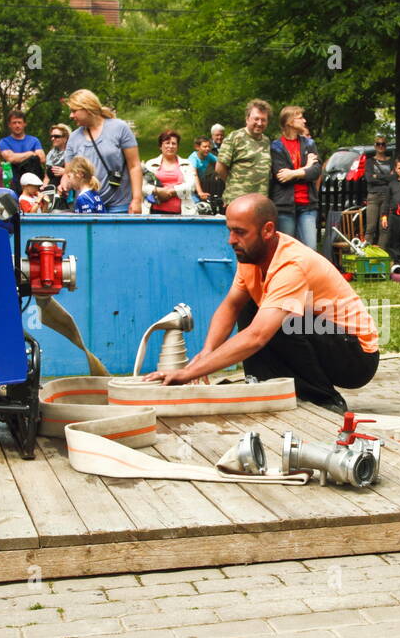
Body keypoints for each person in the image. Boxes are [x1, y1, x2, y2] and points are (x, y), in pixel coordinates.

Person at [147, 194, 379, 412]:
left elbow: (257, 336)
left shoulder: (292, 265)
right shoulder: (251, 256)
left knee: (277, 319)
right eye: (229, 231)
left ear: (267, 230)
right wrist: (207, 352)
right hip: (321, 337)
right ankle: (261, 387)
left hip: (356, 356)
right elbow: (230, 306)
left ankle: (324, 400)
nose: (231, 240)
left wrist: (188, 373)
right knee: (251, 307)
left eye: (239, 232)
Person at [63, 89, 141, 214]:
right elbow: (68, 172)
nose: (71, 116)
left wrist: (137, 199)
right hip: (88, 206)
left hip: (119, 205)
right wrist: (64, 184)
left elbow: (134, 166)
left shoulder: (119, 128)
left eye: (74, 111)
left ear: (87, 109)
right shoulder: (73, 137)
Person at [269, 106, 321, 249]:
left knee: (311, 249)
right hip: (285, 207)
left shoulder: (309, 143)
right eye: (300, 118)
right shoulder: (276, 147)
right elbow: (281, 176)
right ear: (290, 122)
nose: (304, 121)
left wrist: (293, 173)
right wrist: (306, 168)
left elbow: (316, 171)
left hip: (308, 206)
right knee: (286, 250)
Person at [216, 100, 272, 204]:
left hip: (260, 201)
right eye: (256, 119)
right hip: (238, 200)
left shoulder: (266, 141)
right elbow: (220, 168)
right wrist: (235, 184)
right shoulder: (234, 137)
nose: (259, 123)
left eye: (263, 120)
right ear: (247, 119)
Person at [142, 130, 197, 215]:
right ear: (160, 146)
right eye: (167, 143)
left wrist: (173, 191)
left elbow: (192, 186)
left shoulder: (187, 164)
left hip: (183, 213)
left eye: (174, 143)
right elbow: (143, 187)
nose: (170, 146)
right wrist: (157, 191)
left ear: (177, 146)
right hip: (154, 212)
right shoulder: (150, 164)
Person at [0, 109, 45, 194]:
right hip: (13, 183)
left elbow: (42, 158)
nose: (17, 125)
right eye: (14, 123)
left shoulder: (34, 140)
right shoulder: (4, 142)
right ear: (9, 125)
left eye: (19, 122)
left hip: (33, 184)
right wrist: (31, 153)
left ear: (24, 124)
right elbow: (10, 158)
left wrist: (19, 157)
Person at [363, 136, 394, 246]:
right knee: (370, 227)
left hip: (387, 196)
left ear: (386, 146)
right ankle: (366, 254)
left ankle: (381, 254)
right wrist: (386, 177)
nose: (380, 146)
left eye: (383, 144)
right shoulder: (369, 161)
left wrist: (377, 176)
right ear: (375, 146)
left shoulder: (391, 161)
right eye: (378, 144)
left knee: (384, 227)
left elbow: (393, 178)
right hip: (373, 195)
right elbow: (369, 179)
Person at [189, 136, 220, 211]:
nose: (207, 149)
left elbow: (219, 162)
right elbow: (194, 175)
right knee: (196, 205)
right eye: (204, 147)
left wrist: (217, 173)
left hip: (199, 183)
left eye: (209, 147)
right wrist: (200, 192)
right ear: (197, 147)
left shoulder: (208, 156)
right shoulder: (193, 159)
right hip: (190, 185)